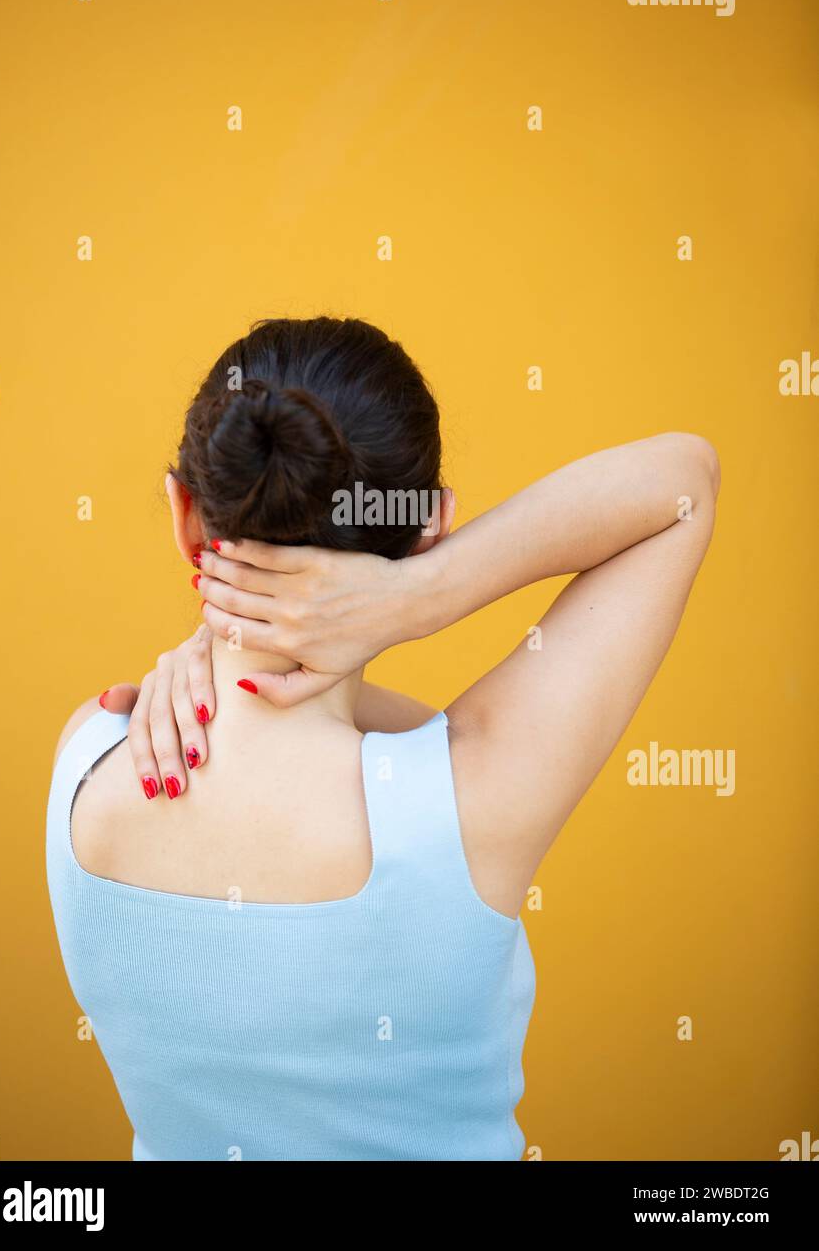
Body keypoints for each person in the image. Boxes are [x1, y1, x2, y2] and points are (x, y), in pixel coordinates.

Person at [48, 315, 720, 1161]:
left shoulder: (92, 757)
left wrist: (217, 647)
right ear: (428, 524)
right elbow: (684, 479)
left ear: (187, 513)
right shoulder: (468, 800)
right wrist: (424, 597)